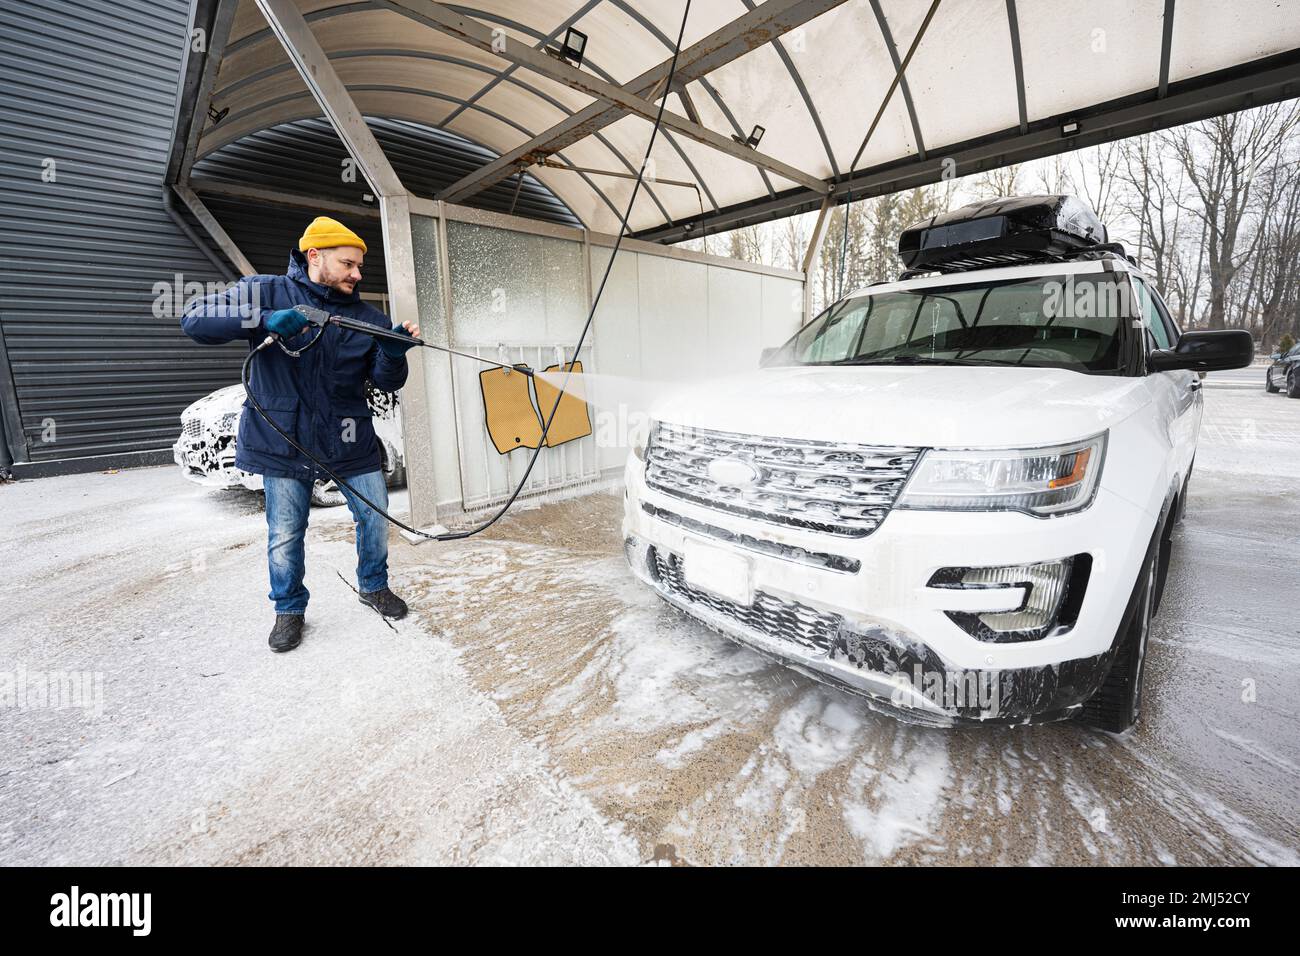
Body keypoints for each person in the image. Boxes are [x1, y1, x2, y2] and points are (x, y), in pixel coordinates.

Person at [181, 216, 420, 653]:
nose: (357, 274)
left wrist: (393, 353)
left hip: (349, 438)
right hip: (283, 439)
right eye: (348, 264)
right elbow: (194, 320)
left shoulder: (367, 317)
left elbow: (386, 383)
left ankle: (373, 585)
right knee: (286, 532)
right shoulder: (265, 290)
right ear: (315, 256)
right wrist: (267, 319)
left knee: (375, 517)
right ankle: (289, 610)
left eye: (359, 266)